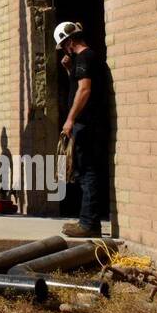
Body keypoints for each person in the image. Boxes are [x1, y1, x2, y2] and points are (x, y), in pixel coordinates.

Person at [55, 21, 109, 237]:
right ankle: (86, 220)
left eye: (64, 45)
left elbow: (84, 90)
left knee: (87, 172)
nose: (65, 50)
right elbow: (78, 86)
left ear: (69, 42)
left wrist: (69, 120)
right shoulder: (82, 61)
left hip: (86, 125)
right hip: (85, 124)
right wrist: (69, 70)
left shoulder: (86, 57)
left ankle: (89, 224)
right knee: (82, 171)